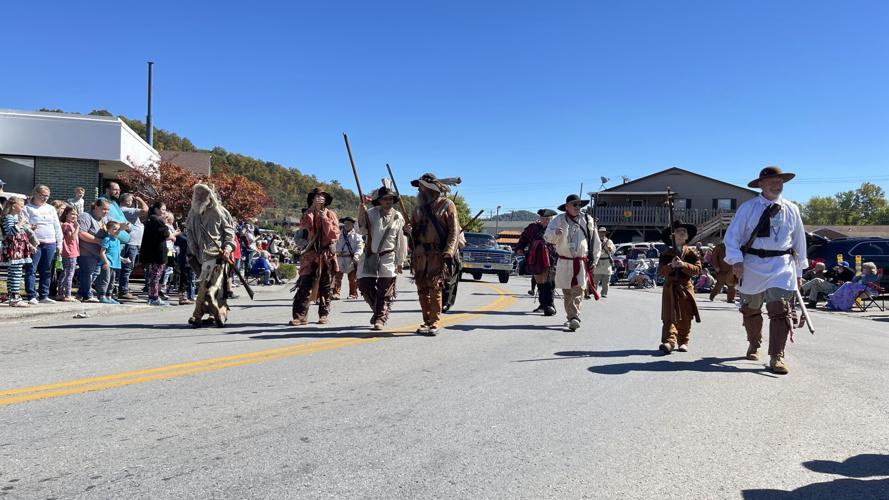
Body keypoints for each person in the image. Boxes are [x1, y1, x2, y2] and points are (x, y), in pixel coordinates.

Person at [723, 166, 808, 375]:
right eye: (771, 181)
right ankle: (754, 343)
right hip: (752, 264)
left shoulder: (792, 208)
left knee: (780, 310)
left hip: (782, 266)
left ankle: (776, 355)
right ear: (761, 184)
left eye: (779, 181)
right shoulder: (748, 208)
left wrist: (799, 272)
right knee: (751, 310)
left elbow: (799, 241)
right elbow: (731, 238)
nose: (776, 185)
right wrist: (737, 261)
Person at [407, 173, 462, 335]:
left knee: (435, 287)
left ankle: (435, 322)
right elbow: (414, 232)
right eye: (419, 187)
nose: (420, 190)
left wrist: (449, 251)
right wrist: (408, 231)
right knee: (422, 288)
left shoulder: (447, 204)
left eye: (422, 187)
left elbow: (454, 231)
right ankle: (426, 321)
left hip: (438, 254)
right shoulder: (418, 209)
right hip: (420, 254)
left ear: (431, 189)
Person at [544, 194, 601, 332]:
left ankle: (574, 317)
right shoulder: (558, 220)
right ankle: (571, 316)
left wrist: (594, 259)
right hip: (564, 261)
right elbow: (547, 237)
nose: (578, 207)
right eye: (574, 204)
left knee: (579, 290)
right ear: (567, 206)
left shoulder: (587, 219)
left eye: (579, 204)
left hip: (581, 262)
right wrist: (556, 233)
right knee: (567, 292)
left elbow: (595, 241)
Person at [357, 186, 407, 330]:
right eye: (385, 199)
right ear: (379, 200)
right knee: (365, 286)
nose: (388, 201)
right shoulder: (371, 213)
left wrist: (400, 261)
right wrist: (361, 212)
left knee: (385, 290)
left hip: (389, 256)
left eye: (390, 198)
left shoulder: (398, 216)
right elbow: (360, 229)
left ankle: (380, 319)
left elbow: (401, 240)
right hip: (371, 255)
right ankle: (378, 310)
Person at [186, 184, 237, 327]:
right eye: (198, 194)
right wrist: (192, 244)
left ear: (210, 195)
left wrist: (227, 248)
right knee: (205, 286)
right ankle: (211, 314)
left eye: (204, 193)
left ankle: (206, 314)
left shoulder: (220, 212)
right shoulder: (193, 213)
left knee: (211, 288)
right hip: (200, 257)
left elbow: (230, 234)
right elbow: (188, 230)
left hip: (218, 255)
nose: (200, 196)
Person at [290, 187, 340, 326]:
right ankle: (300, 316)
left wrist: (324, 219)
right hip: (310, 254)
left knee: (325, 286)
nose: (320, 198)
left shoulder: (330, 214)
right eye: (317, 196)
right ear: (312, 198)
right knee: (304, 285)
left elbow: (334, 234)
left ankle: (323, 315)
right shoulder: (307, 214)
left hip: (326, 255)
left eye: (322, 196)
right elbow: (304, 226)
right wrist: (312, 209)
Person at [657, 221, 702, 353]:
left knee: (686, 315)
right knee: (669, 316)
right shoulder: (666, 254)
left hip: (685, 287)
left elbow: (697, 270)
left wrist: (683, 265)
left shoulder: (692, 254)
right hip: (670, 287)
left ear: (687, 236)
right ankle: (669, 342)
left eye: (684, 231)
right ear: (673, 235)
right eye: (678, 231)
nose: (681, 233)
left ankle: (683, 341)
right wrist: (671, 266)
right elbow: (661, 271)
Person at [22, 185, 63, 304]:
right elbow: (24, 226)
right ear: (35, 193)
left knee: (47, 270)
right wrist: (29, 238)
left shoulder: (51, 208)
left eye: (47, 196)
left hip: (50, 243)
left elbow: (57, 226)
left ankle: (44, 295)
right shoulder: (27, 208)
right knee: (31, 269)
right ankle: (31, 295)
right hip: (35, 243)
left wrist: (59, 243)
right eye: (42, 195)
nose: (45, 198)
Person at [514, 208, 558, 315]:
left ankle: (550, 305)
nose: (545, 220)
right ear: (540, 218)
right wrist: (520, 248)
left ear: (551, 219)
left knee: (549, 282)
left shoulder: (555, 228)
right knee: (540, 282)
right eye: (543, 218)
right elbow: (523, 238)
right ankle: (543, 304)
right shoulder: (532, 228)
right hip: (535, 258)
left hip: (551, 258)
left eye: (547, 218)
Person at [1, 196, 35, 307]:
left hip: (18, 248)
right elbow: (10, 232)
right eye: (21, 206)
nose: (23, 208)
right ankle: (15, 297)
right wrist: (20, 223)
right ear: (14, 206)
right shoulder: (9, 217)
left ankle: (11, 295)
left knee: (14, 272)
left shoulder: (13, 217)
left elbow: (21, 234)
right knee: (16, 272)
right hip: (14, 249)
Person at [76, 199, 110, 302]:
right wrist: (98, 241)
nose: (106, 212)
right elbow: (81, 233)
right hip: (86, 251)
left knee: (95, 273)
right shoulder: (85, 216)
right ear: (96, 207)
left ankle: (81, 293)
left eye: (108, 210)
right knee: (88, 273)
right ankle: (87, 295)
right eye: (104, 209)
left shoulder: (104, 219)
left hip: (98, 253)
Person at [117, 193, 149, 301]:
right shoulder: (126, 209)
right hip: (131, 243)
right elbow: (145, 210)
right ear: (126, 201)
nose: (133, 201)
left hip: (134, 243)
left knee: (128, 268)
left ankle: (123, 289)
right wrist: (140, 199)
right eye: (131, 199)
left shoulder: (127, 210)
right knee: (127, 268)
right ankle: (123, 291)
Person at [141, 202, 172, 306]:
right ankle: (154, 297)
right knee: (156, 275)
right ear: (157, 209)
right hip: (157, 252)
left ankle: (152, 297)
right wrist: (166, 224)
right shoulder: (157, 220)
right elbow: (166, 234)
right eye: (163, 209)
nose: (164, 212)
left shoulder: (150, 219)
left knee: (152, 275)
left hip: (151, 251)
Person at [333, 216, 363, 300]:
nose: (347, 225)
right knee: (337, 278)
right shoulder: (338, 234)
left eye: (349, 223)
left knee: (352, 279)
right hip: (340, 258)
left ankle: (353, 294)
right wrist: (335, 252)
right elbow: (334, 244)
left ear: (352, 225)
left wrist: (357, 256)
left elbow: (360, 247)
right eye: (345, 223)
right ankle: (336, 293)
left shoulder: (357, 235)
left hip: (351, 259)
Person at [57, 205, 80, 302]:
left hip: (68, 252)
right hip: (70, 252)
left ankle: (60, 293)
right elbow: (72, 238)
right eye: (72, 214)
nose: (74, 216)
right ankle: (68, 294)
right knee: (70, 273)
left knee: (64, 273)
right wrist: (77, 227)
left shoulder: (65, 224)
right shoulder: (68, 225)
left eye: (76, 214)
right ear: (66, 214)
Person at [97, 221, 124, 304]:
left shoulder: (117, 241)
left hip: (115, 264)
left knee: (112, 281)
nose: (117, 231)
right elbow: (102, 252)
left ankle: (109, 296)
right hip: (108, 263)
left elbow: (116, 254)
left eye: (119, 229)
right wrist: (106, 262)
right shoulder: (107, 239)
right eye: (115, 229)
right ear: (108, 230)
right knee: (105, 280)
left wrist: (123, 259)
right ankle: (102, 296)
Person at [174, 222, 196, 305]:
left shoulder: (188, 237)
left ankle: (187, 296)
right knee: (184, 279)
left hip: (189, 259)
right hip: (185, 259)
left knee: (189, 279)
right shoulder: (181, 236)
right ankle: (183, 297)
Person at [593, 226, 616, 298]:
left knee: (606, 280)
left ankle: (604, 293)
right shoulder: (595, 241)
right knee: (595, 280)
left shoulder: (609, 241)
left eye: (604, 232)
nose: (602, 233)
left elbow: (612, 250)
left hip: (606, 261)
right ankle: (594, 292)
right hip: (598, 260)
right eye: (601, 232)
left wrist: (608, 248)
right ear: (598, 233)